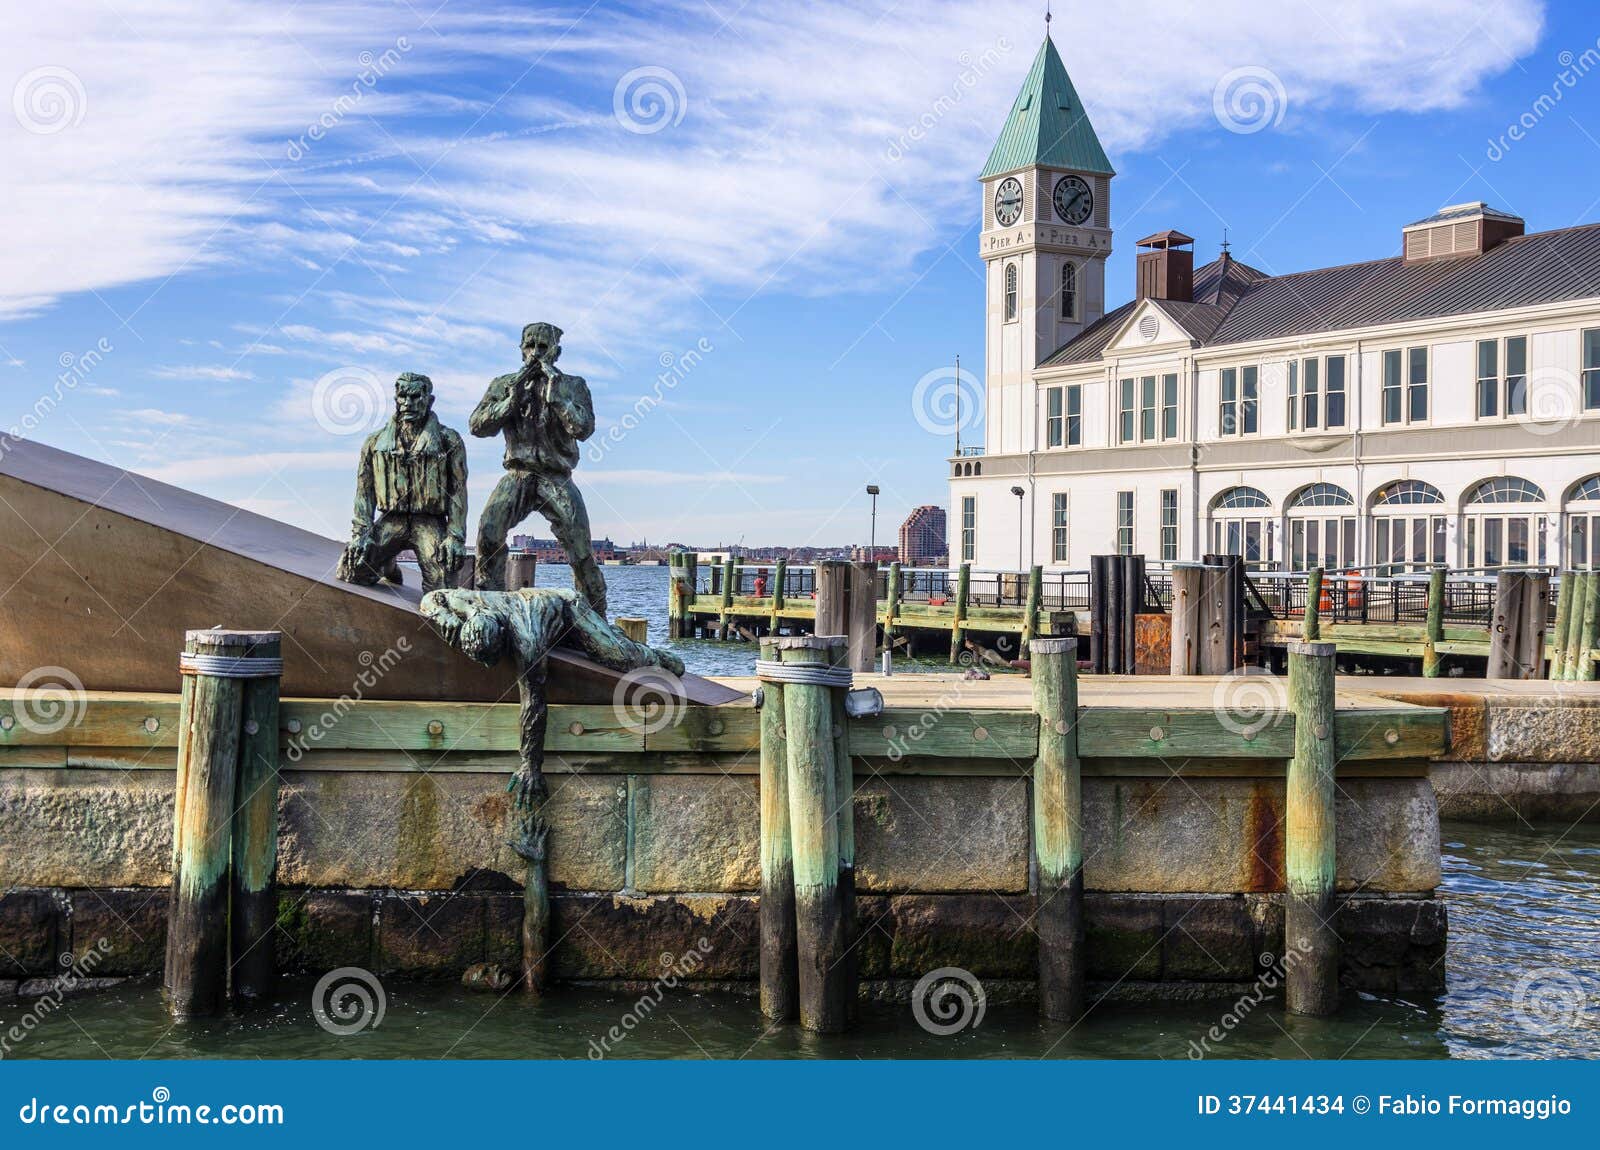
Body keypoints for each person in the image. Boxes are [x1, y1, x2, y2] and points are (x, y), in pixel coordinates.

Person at [470, 322, 606, 614]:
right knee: (488, 533)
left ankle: (596, 617)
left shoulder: (574, 385)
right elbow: (477, 426)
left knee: (581, 551)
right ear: (521, 350)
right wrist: (510, 400)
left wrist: (559, 399)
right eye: (529, 346)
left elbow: (583, 429)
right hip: (517, 474)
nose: (535, 354)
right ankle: (491, 606)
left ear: (556, 352)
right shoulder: (503, 383)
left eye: (543, 347)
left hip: (556, 477)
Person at [337, 372, 467, 592]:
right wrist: (361, 534)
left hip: (430, 522)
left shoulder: (449, 440)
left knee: (442, 584)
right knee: (352, 569)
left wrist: (455, 537)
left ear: (429, 400)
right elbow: (364, 491)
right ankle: (387, 563)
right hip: (390, 520)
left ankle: (389, 560)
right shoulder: (374, 442)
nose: (409, 403)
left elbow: (458, 491)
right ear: (396, 398)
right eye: (403, 396)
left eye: (416, 397)